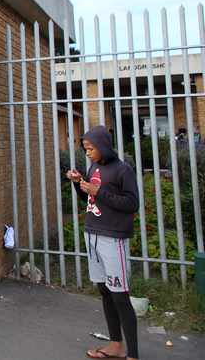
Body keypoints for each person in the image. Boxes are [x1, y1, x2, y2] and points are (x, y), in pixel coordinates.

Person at [67, 126, 140, 360]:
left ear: (103, 146)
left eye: (90, 148)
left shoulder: (123, 170)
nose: (87, 153)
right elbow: (90, 199)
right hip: (92, 234)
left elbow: (132, 203)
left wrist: (98, 192)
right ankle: (116, 345)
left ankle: (133, 354)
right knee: (105, 291)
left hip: (113, 237)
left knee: (120, 295)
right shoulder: (94, 167)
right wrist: (79, 183)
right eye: (85, 149)